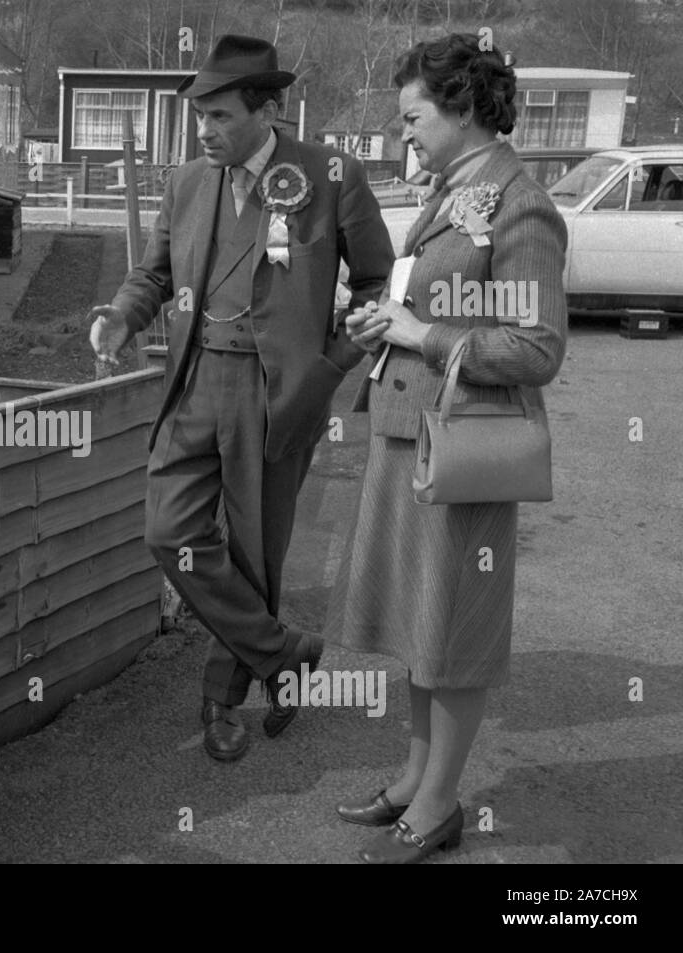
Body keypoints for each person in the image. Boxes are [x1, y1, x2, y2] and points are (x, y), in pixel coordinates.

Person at [88, 35, 393, 762]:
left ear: (268, 109)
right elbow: (154, 272)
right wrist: (123, 315)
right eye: (200, 115)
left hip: (277, 393)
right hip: (194, 382)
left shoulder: (330, 174)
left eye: (220, 115)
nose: (204, 130)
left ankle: (220, 698)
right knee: (169, 532)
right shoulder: (190, 180)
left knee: (254, 551)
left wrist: (334, 362)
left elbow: (382, 280)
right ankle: (281, 653)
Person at [329, 35, 567, 863]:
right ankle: (412, 777)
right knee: (417, 624)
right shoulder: (455, 191)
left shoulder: (519, 204)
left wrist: (422, 333)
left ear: (463, 107)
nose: (404, 139)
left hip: (466, 445)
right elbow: (429, 304)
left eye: (413, 119)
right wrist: (382, 331)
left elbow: (537, 346)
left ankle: (436, 807)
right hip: (414, 431)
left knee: (454, 633)